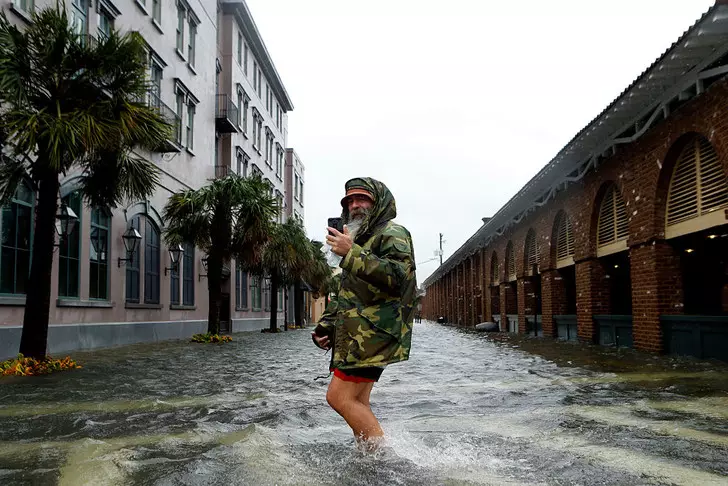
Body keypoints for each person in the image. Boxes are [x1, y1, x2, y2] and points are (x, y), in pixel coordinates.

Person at [312, 177, 417, 449]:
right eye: (349, 201)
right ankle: (368, 457)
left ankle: (382, 460)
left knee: (339, 398)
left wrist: (351, 253)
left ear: (378, 201)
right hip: (359, 335)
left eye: (362, 199)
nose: (355, 205)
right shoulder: (360, 239)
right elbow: (350, 293)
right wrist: (327, 327)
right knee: (357, 401)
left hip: (374, 334)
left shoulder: (392, 233)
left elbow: (398, 277)